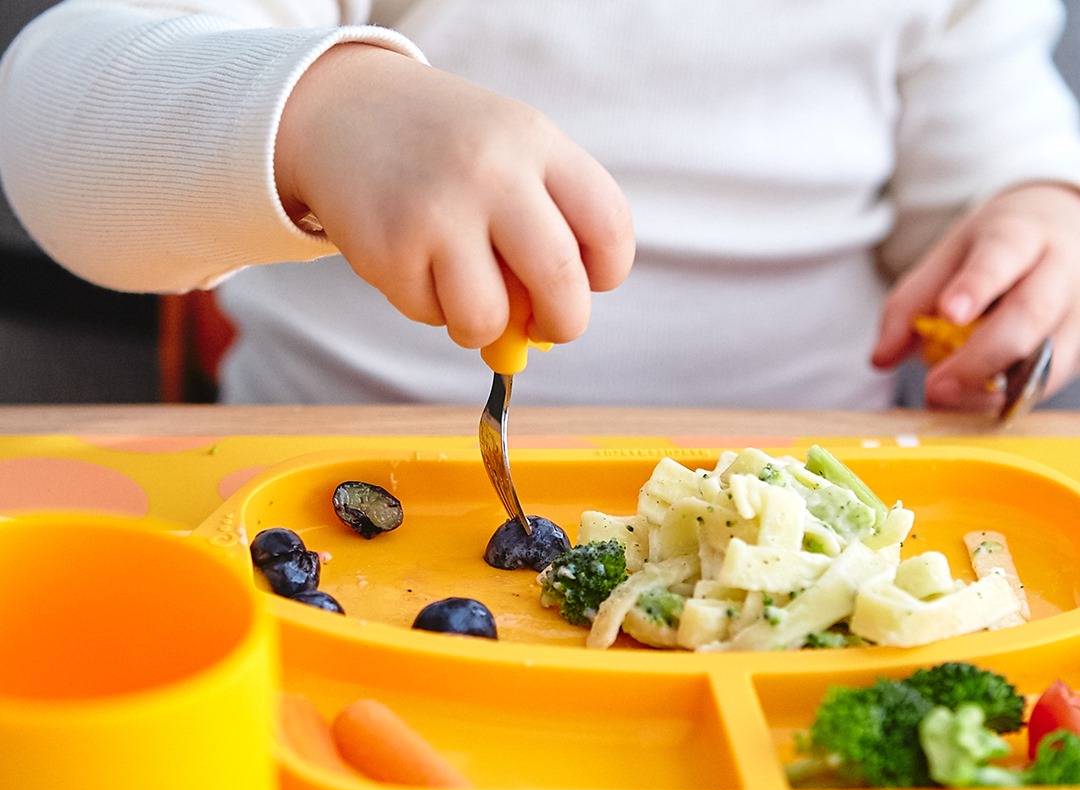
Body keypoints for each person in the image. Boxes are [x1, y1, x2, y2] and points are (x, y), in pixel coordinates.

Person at [2, 1, 1080, 413]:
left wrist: (1036, 213)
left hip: (807, 514)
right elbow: (49, 118)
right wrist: (327, 105)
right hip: (342, 489)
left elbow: (990, 155)